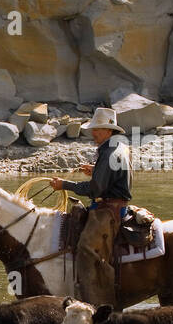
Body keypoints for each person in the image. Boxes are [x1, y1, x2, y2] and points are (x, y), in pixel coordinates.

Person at [49, 106, 132, 308]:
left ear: (109, 131)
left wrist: (65, 185)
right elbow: (113, 175)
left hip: (107, 211)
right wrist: (97, 170)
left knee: (86, 249)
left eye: (98, 129)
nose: (93, 133)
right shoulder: (117, 147)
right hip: (115, 204)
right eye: (94, 129)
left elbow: (95, 190)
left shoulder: (109, 151)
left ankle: (97, 304)